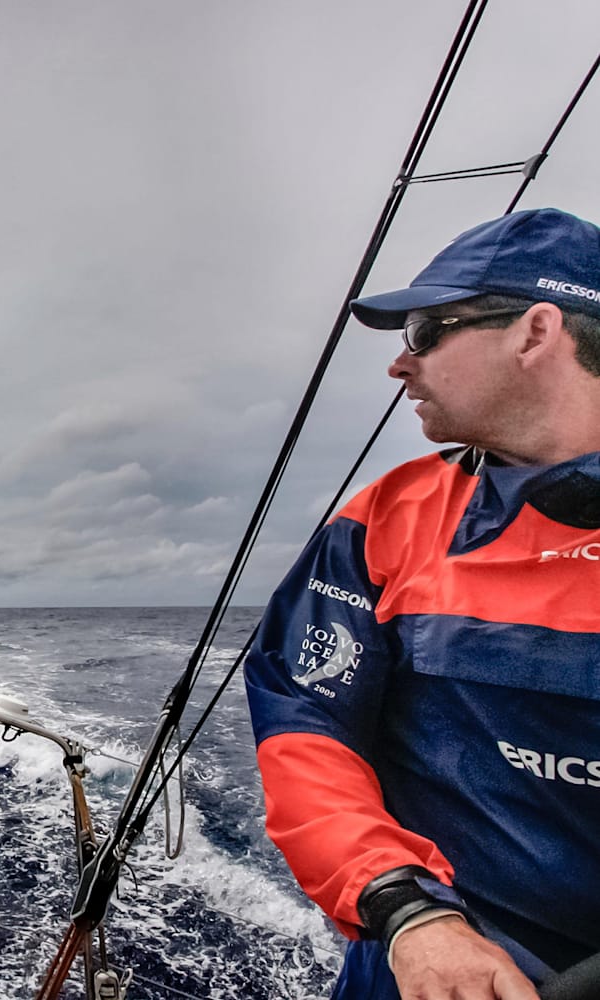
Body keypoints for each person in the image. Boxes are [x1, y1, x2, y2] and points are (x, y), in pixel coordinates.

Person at [244, 207, 600, 1000]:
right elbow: (306, 722)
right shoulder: (383, 522)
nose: (399, 366)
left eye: (428, 332)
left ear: (536, 333)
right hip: (414, 964)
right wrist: (405, 908)